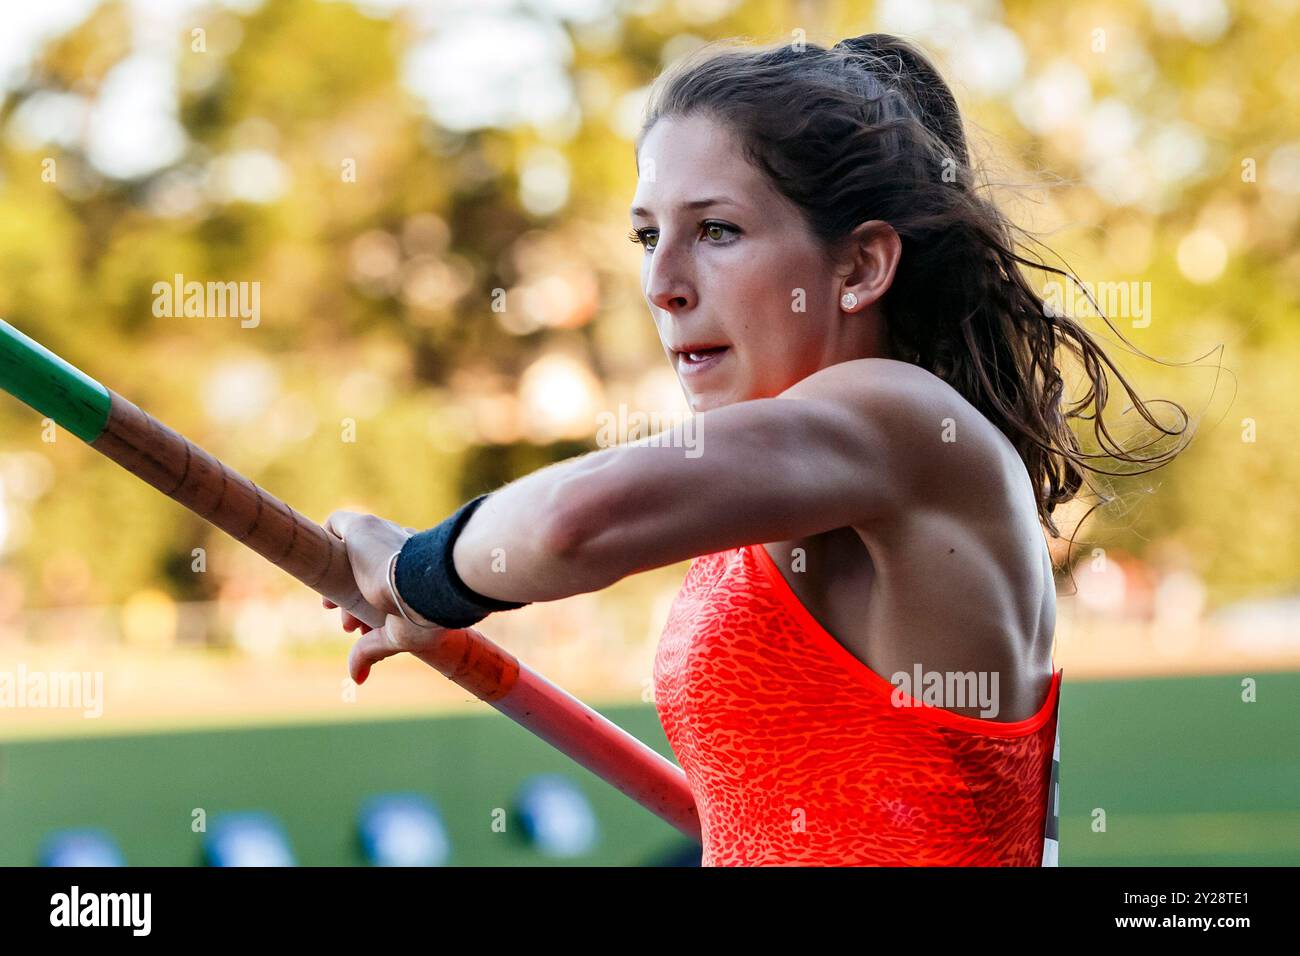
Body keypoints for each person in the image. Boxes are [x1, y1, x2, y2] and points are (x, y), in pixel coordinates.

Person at [323, 34, 1192, 865]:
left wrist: (415, 569)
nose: (662, 285)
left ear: (858, 269)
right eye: (646, 236)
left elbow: (571, 523)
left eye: (716, 231)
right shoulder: (808, 479)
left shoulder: (899, 419)